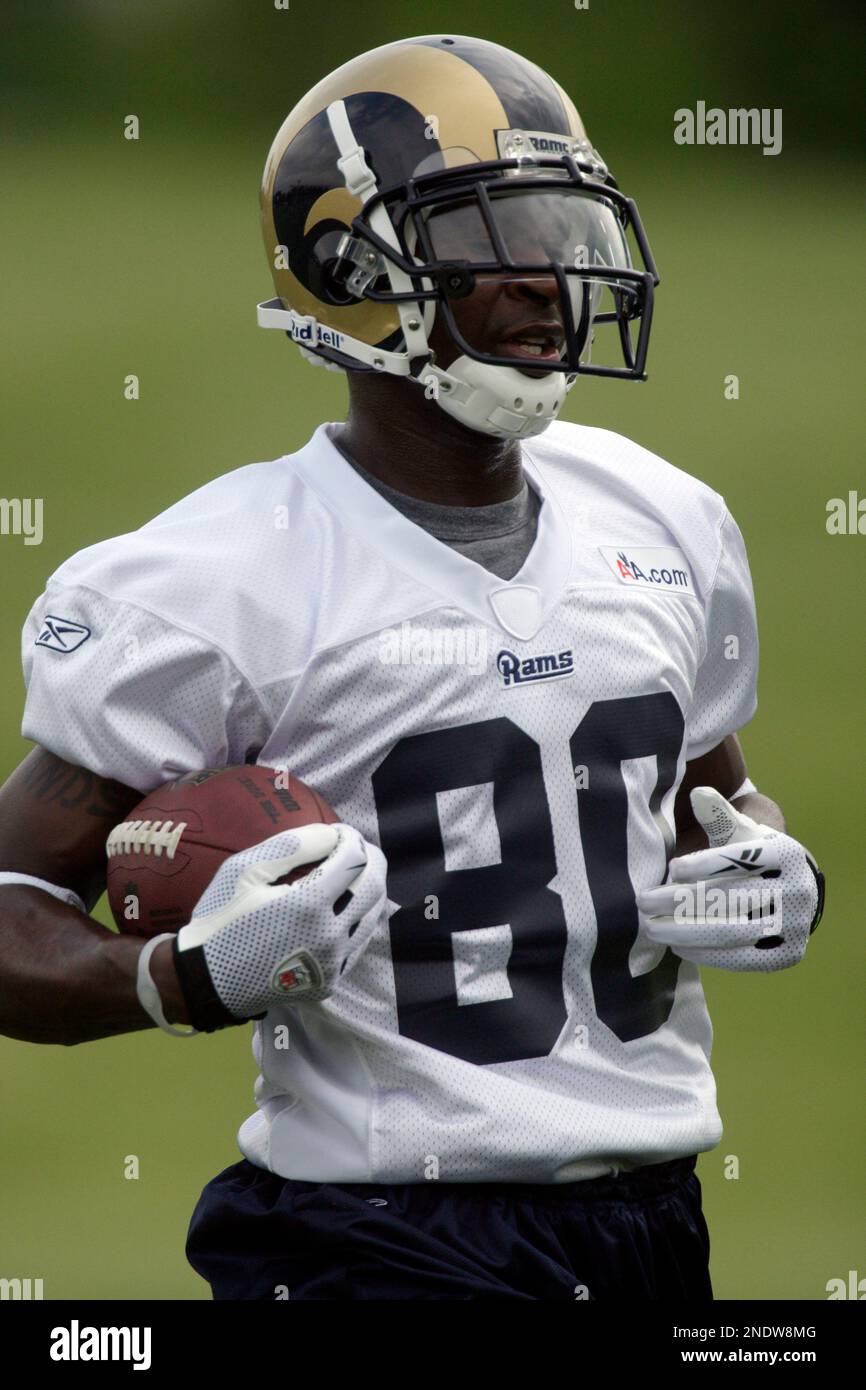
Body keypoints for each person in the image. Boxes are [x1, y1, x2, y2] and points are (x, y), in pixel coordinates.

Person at [0, 34, 825, 1301]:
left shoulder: (665, 519)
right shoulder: (215, 581)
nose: (547, 278)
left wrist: (764, 864)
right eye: (491, 236)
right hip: (373, 1235)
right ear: (347, 268)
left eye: (560, 229)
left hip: (653, 1221)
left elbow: (710, 801)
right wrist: (174, 979)